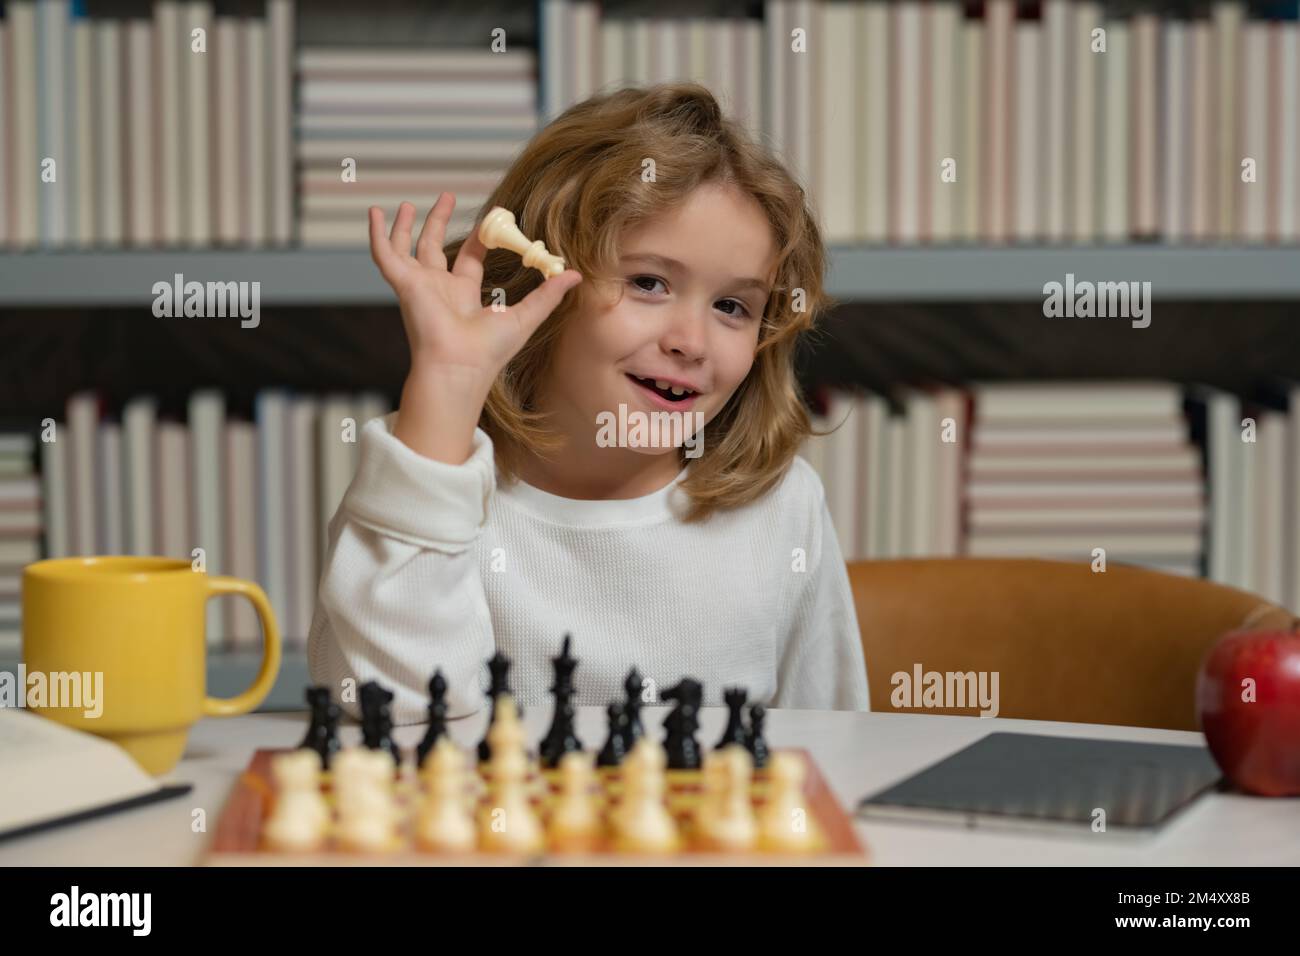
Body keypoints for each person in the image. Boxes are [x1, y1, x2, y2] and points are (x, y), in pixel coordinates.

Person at [307, 82, 870, 723]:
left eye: (731, 306)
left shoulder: (782, 507)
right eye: (649, 283)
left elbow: (834, 745)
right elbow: (392, 714)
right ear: (535, 283)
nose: (690, 342)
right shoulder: (423, 477)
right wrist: (445, 386)